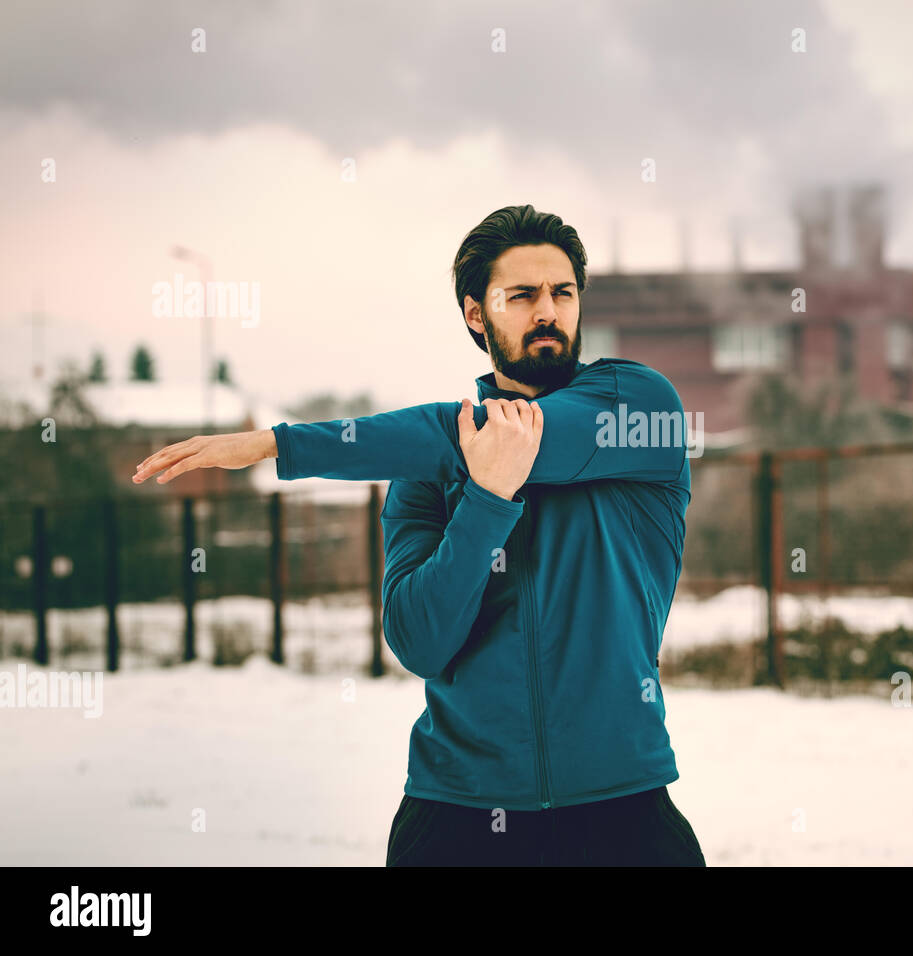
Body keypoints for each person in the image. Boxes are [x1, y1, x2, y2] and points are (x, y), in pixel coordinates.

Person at [131, 204, 705, 867]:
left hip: (622, 815)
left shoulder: (639, 410)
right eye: (521, 295)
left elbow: (484, 432)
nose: (548, 310)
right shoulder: (429, 472)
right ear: (475, 313)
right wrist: (487, 500)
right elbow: (420, 640)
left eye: (563, 293)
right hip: (456, 816)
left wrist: (272, 444)